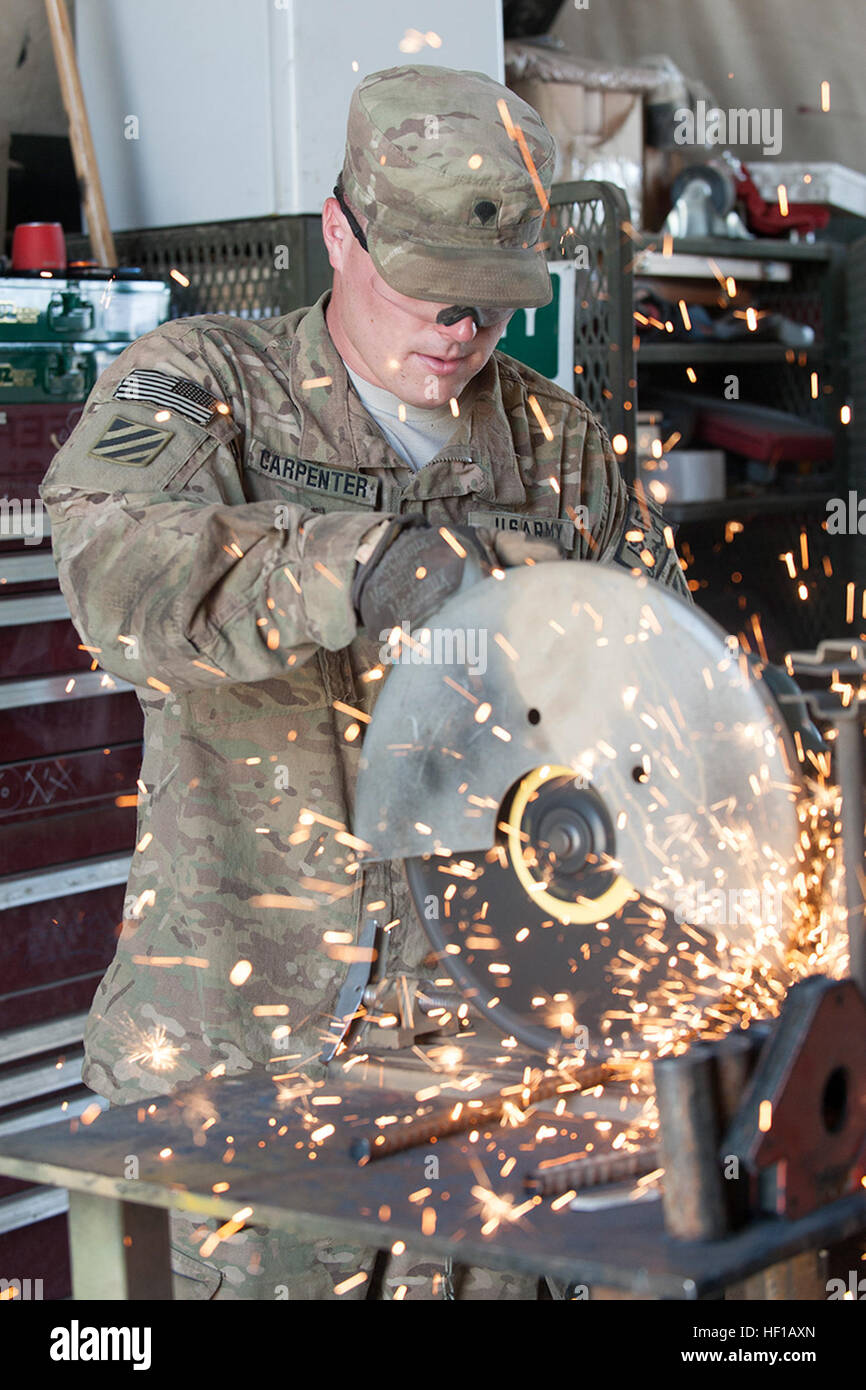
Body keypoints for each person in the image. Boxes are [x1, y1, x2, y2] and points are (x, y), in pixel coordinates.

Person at [40, 64, 689, 1299]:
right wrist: (358, 562)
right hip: (240, 1073)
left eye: (489, 303)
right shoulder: (206, 385)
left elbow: (656, 707)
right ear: (337, 227)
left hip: (488, 1082)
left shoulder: (562, 456)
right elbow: (113, 571)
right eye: (427, 287)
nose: (458, 329)